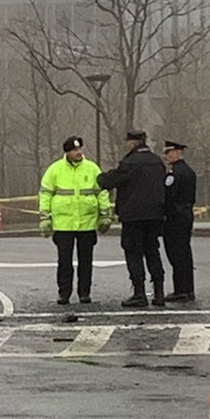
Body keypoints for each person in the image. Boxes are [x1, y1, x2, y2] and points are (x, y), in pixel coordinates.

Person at [97, 128, 169, 308]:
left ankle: (139, 293)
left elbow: (108, 182)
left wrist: (102, 176)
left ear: (132, 143)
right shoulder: (157, 161)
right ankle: (159, 293)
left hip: (133, 216)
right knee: (153, 251)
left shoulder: (130, 163)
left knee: (134, 252)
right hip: (155, 215)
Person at [38, 135, 112, 307]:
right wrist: (45, 217)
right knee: (64, 262)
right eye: (74, 150)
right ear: (67, 152)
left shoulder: (92, 168)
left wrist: (105, 214)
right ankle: (64, 293)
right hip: (63, 225)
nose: (79, 152)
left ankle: (84, 293)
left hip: (87, 223)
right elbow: (45, 193)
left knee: (86, 261)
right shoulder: (55, 170)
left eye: (80, 149)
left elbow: (101, 192)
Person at [160, 139, 198, 303]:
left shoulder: (174, 174)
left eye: (168, 153)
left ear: (176, 152)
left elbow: (168, 196)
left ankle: (180, 290)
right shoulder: (189, 172)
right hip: (186, 213)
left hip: (175, 216)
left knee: (176, 253)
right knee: (185, 252)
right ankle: (188, 289)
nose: (166, 156)